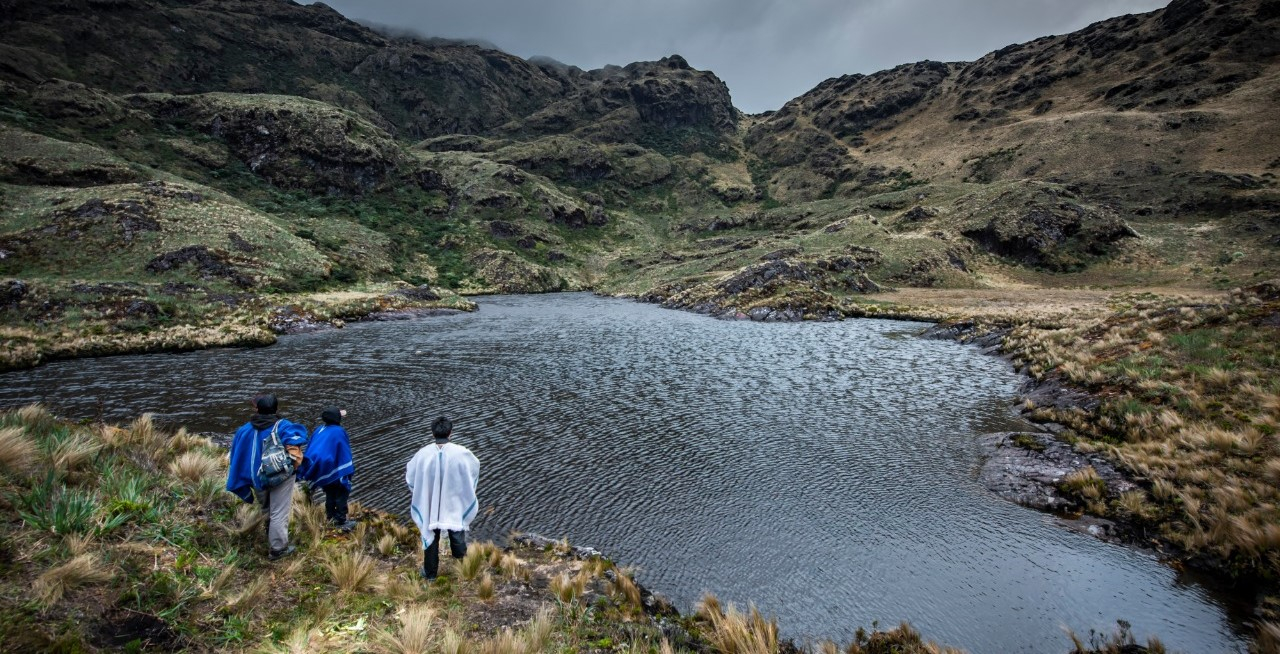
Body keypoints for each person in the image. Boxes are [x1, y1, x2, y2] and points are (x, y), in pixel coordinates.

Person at [226, 394, 308, 560]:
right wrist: (293, 467)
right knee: (279, 511)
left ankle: (269, 534)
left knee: (266, 508)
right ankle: (278, 549)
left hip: (256, 478)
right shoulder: (283, 426)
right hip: (279, 477)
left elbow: (236, 454)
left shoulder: (245, 430)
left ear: (257, 409)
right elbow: (297, 443)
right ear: (276, 409)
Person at [405, 416, 480, 580]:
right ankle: (464, 570)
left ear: (433, 433)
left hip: (429, 503)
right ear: (450, 432)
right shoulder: (462, 453)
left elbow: (410, 477)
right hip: (453, 502)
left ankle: (430, 575)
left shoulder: (422, 454)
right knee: (456, 529)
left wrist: (422, 492)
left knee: (431, 534)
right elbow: (474, 469)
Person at [299, 406, 356, 531]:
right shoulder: (339, 431)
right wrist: (347, 470)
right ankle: (341, 521)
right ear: (337, 419)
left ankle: (330, 516)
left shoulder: (319, 429)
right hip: (334, 468)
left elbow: (312, 447)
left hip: (322, 468)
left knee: (330, 493)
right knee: (341, 492)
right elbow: (344, 453)